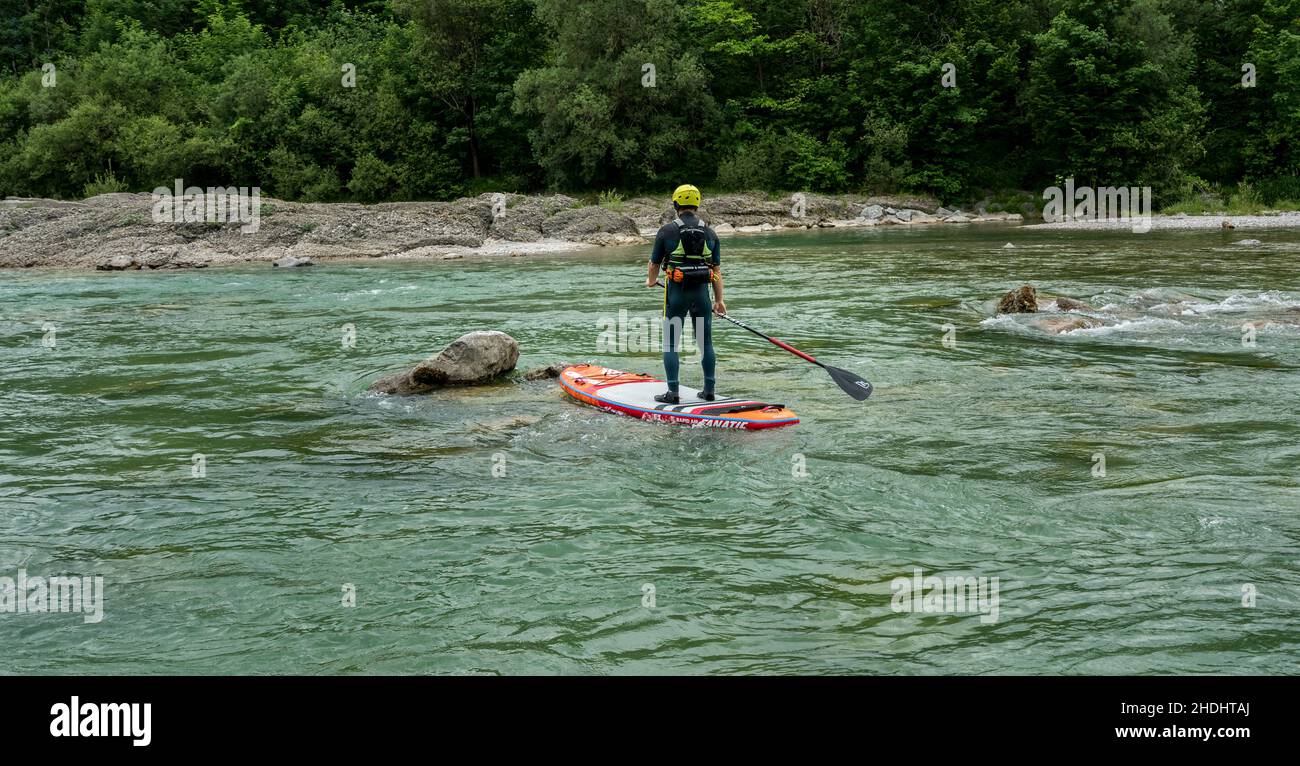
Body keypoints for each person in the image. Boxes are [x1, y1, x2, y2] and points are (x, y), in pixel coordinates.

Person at [645, 184, 725, 403]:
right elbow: (716, 271)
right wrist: (719, 300)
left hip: (676, 294)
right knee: (705, 343)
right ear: (696, 205)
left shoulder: (667, 231)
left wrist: (651, 281)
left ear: (676, 204)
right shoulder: (710, 232)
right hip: (702, 295)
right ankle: (709, 391)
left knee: (671, 343)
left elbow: (654, 263)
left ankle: (673, 393)